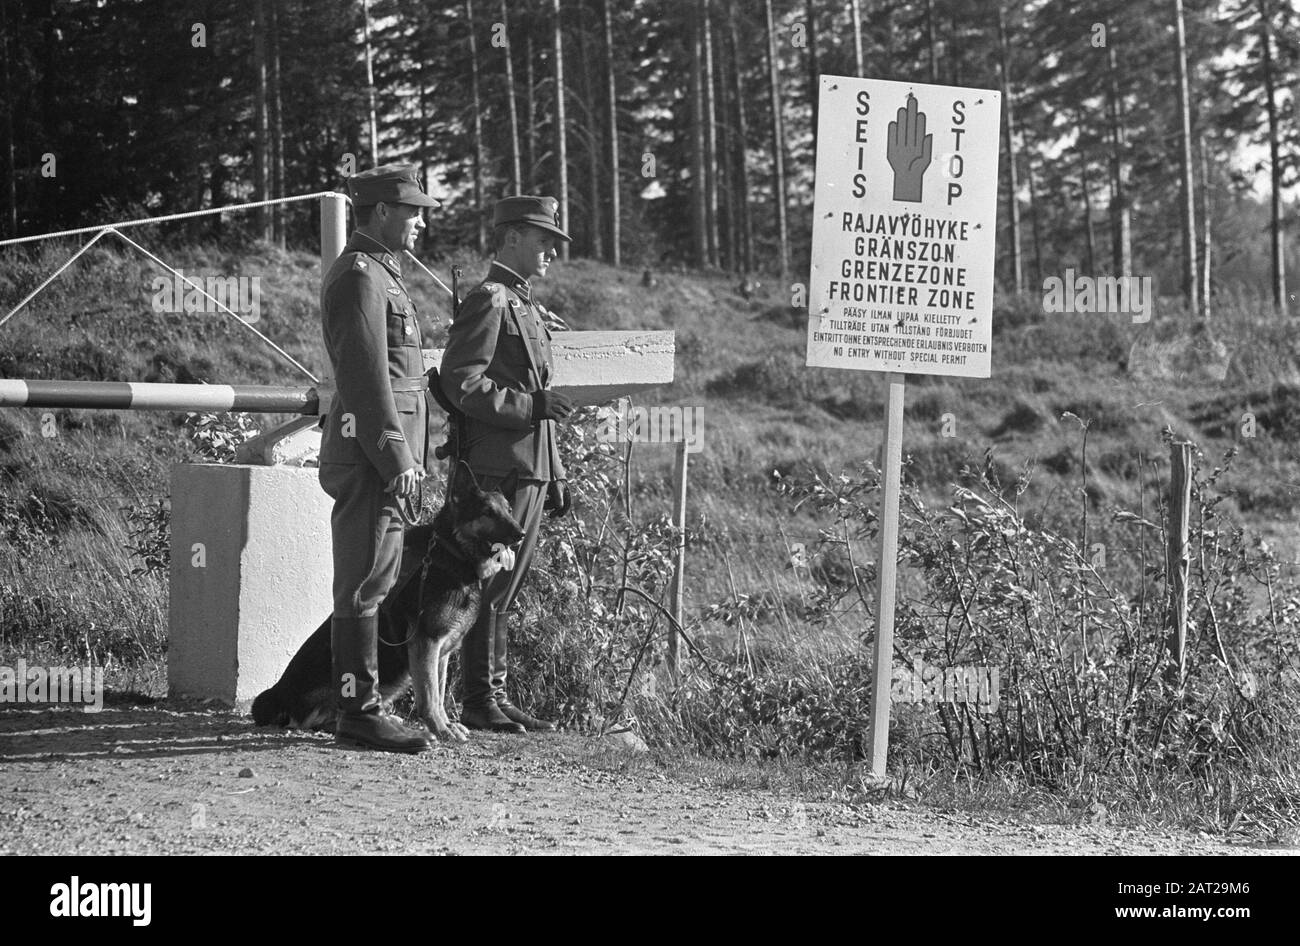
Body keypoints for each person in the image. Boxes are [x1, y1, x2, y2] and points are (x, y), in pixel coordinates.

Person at [439, 195, 575, 734]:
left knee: (506, 587)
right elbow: (461, 381)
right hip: (496, 473)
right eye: (543, 240)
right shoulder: (490, 300)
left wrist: (557, 473)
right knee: (486, 584)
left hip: (530, 469)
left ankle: (490, 695)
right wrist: (527, 408)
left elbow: (540, 394)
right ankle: (477, 700)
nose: (551, 253)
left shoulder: (524, 306)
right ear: (512, 237)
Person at [319, 164, 439, 752]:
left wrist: (411, 459)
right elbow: (367, 379)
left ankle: (359, 706)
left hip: (388, 457)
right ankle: (357, 710)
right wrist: (397, 457)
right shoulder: (360, 275)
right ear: (381, 212)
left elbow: (404, 379)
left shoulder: (385, 274)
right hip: (371, 456)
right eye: (412, 211)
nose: (420, 221)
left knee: (377, 579)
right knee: (362, 584)